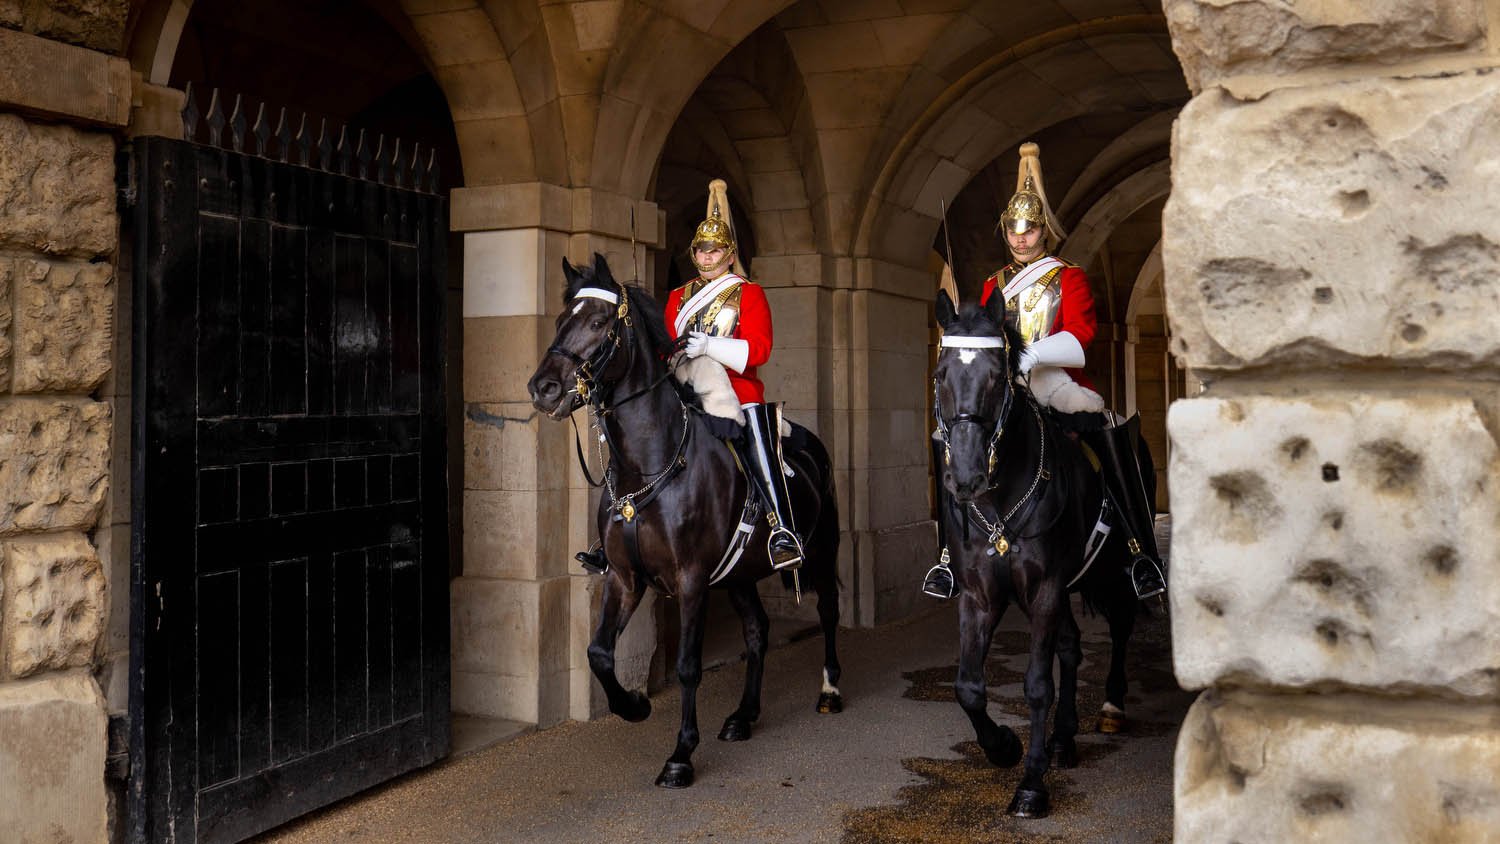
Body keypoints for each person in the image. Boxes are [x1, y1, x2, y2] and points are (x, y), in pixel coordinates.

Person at [923, 142, 1166, 602]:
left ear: (1043, 230)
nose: (1020, 239)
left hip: (1053, 382)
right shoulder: (994, 283)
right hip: (1003, 388)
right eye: (1013, 231)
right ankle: (948, 559)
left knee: (1103, 428)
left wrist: (1031, 357)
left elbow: (1082, 336)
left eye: (1028, 230)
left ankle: (1140, 552)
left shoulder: (1067, 277)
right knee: (949, 439)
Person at [664, 179, 804, 570]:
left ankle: (780, 529)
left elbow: (759, 350)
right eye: (701, 250)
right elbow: (663, 345)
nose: (707, 257)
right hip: (684, 390)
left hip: (737, 392)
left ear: (729, 255)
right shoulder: (678, 297)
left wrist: (709, 347)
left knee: (759, 444)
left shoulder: (749, 293)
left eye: (715, 250)